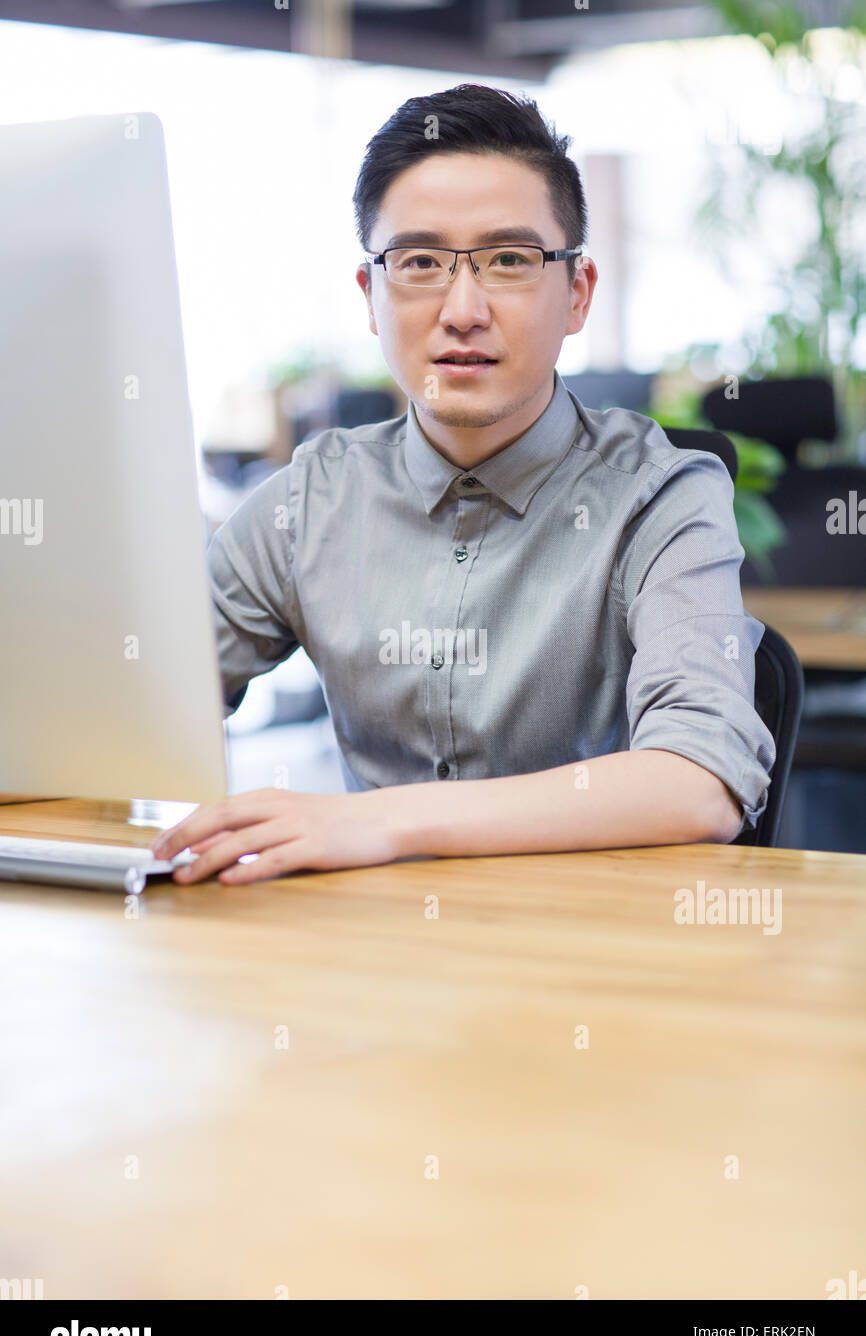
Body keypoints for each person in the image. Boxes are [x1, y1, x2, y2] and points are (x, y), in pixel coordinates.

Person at [151, 83, 774, 885]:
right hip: (371, 968)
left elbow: (701, 780)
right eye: (418, 263)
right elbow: (136, 708)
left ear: (577, 292)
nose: (463, 309)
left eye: (509, 260)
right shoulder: (311, 502)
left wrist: (380, 823)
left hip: (600, 962)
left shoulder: (660, 496)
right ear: (371, 297)